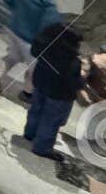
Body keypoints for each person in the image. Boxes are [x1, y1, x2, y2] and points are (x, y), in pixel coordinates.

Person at [0, 0, 61, 98]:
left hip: (14, 30)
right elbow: (51, 26)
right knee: (35, 68)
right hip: (30, 41)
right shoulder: (48, 3)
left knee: (12, 58)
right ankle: (27, 94)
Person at [24, 20, 84, 162]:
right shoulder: (73, 62)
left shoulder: (46, 48)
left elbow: (35, 51)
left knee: (36, 110)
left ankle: (30, 133)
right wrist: (81, 84)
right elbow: (72, 82)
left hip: (40, 84)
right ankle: (42, 148)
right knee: (51, 120)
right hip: (59, 95)